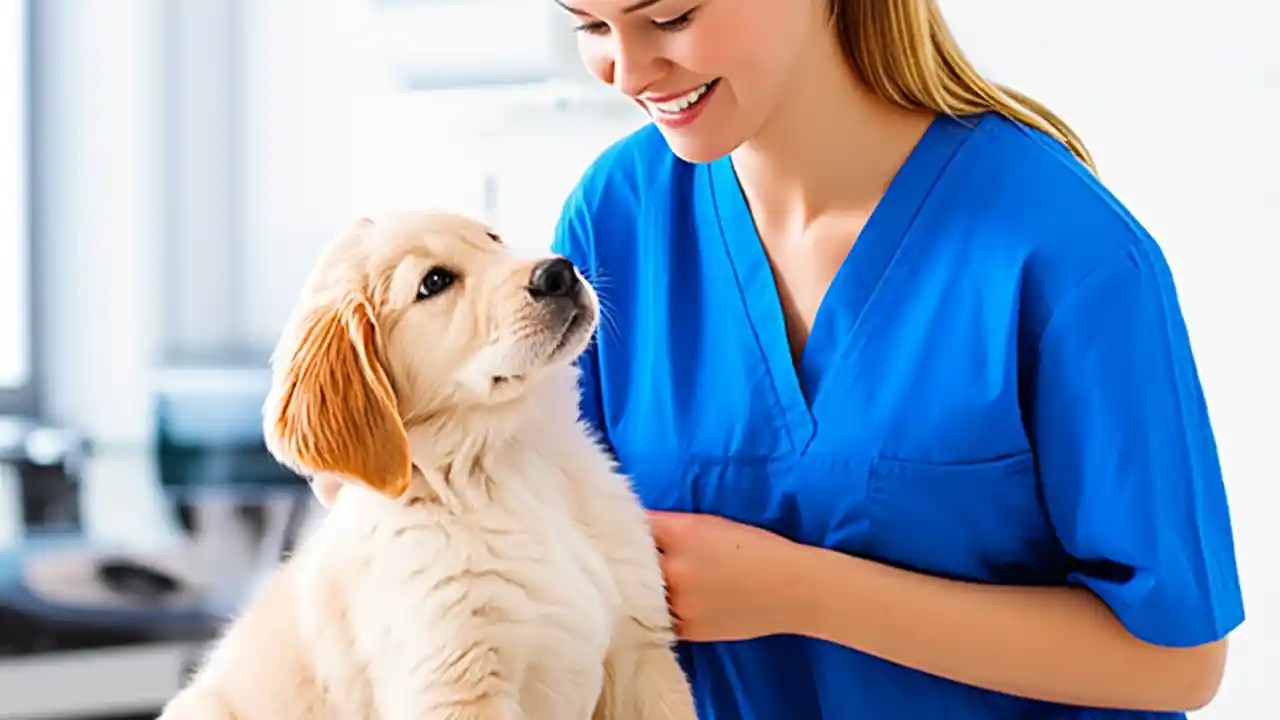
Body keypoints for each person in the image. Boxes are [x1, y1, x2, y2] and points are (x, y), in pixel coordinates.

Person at [313, 1, 1245, 717]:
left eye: (671, 15)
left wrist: (802, 592)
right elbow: (544, 544)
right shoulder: (619, 218)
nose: (628, 69)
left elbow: (1174, 657)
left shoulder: (1062, 249)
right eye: (591, 23)